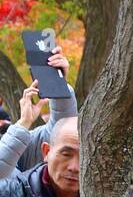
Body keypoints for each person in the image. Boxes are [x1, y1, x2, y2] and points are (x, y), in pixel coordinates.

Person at [0, 44, 77, 180]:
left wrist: (58, 85)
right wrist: (22, 124)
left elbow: (58, 135)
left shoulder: (17, 141)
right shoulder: (14, 138)